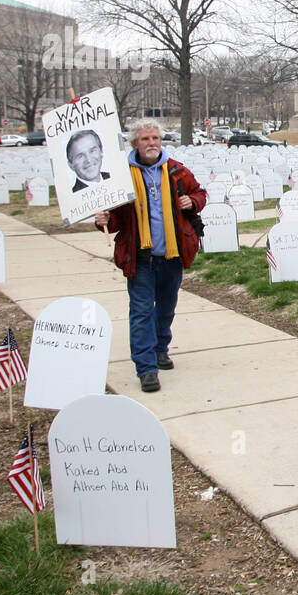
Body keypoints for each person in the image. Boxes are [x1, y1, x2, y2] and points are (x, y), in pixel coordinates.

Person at [94, 120, 206, 393]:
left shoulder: (177, 171)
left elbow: (200, 193)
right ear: (135, 144)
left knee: (166, 307)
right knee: (142, 312)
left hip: (172, 253)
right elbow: (114, 220)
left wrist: (192, 202)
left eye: (156, 138)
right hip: (140, 256)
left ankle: (160, 348)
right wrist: (103, 220)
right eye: (145, 139)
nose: (152, 143)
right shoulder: (121, 177)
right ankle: (146, 368)